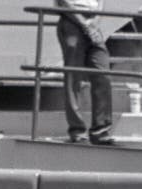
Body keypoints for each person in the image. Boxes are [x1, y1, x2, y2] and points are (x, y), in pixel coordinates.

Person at [55, 0, 115, 145]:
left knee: (103, 74)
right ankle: (77, 131)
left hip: (92, 20)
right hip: (71, 20)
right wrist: (83, 23)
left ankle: (100, 130)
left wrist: (94, 22)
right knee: (73, 77)